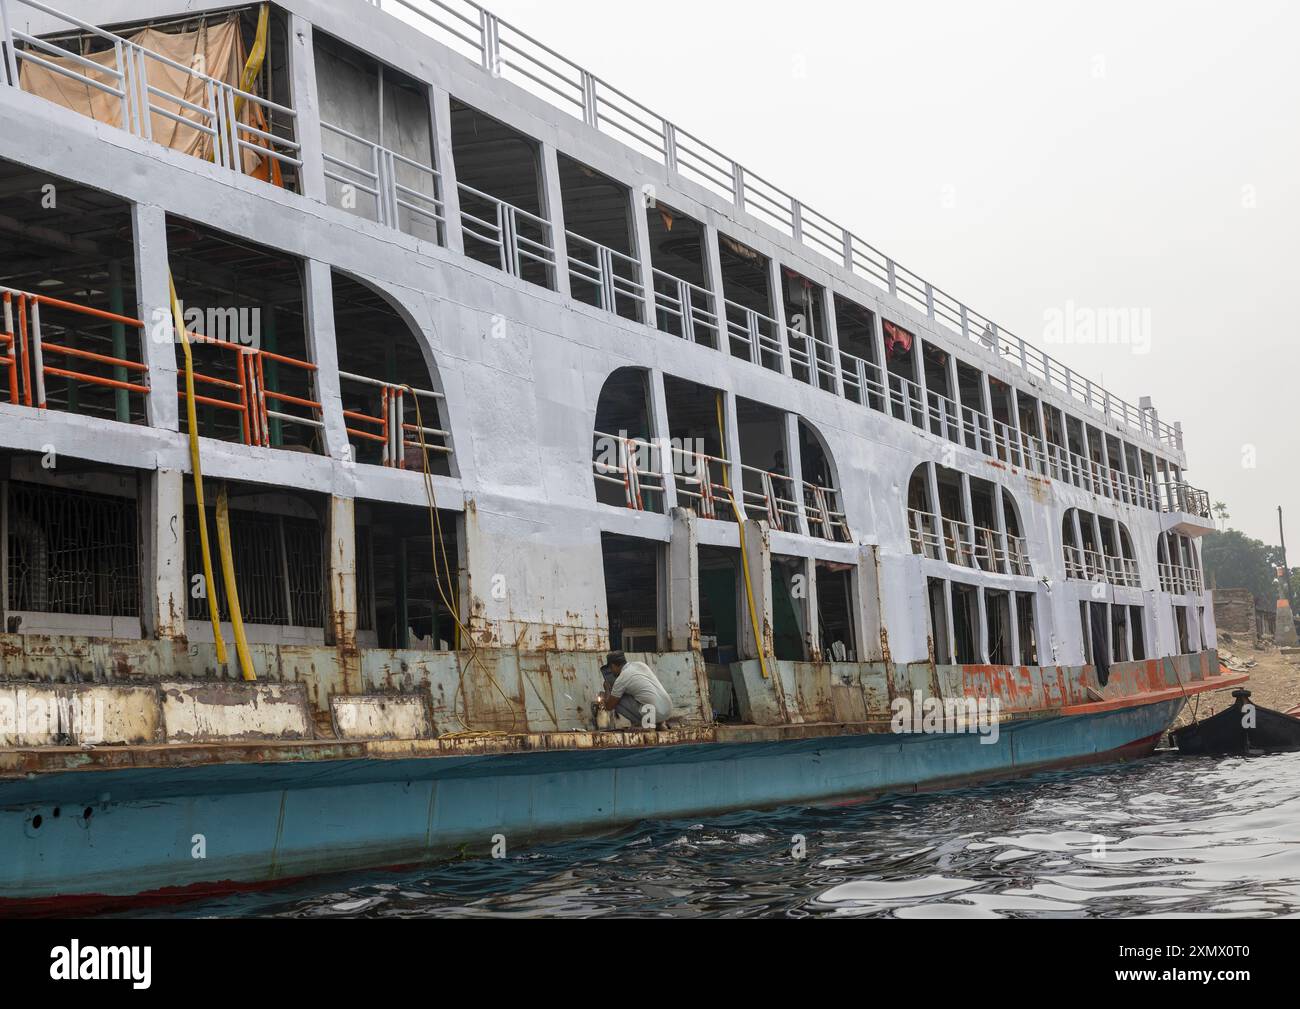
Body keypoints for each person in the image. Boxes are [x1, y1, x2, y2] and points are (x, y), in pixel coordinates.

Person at [599, 651, 674, 730]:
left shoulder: (622, 679)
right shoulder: (640, 665)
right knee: (638, 695)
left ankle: (642, 724)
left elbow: (609, 706)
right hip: (668, 710)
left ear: (613, 666)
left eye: (611, 668)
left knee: (615, 699)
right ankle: (659, 724)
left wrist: (607, 689)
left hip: (654, 714)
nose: (611, 671)